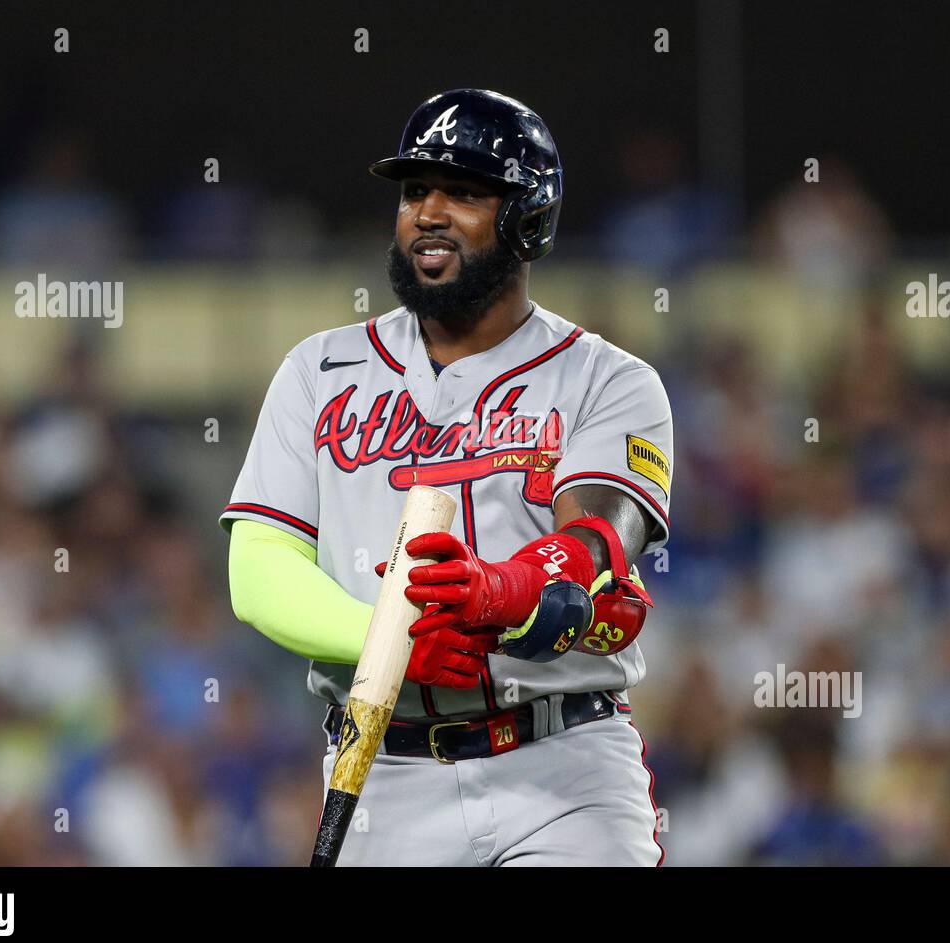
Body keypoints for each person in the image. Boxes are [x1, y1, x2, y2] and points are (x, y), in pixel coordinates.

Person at [223, 89, 674, 865]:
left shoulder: (608, 379)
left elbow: (602, 537)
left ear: (527, 216)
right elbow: (256, 573)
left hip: (562, 767)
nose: (427, 212)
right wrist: (387, 642)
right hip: (386, 771)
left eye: (463, 191)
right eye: (413, 192)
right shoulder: (318, 371)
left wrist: (503, 592)